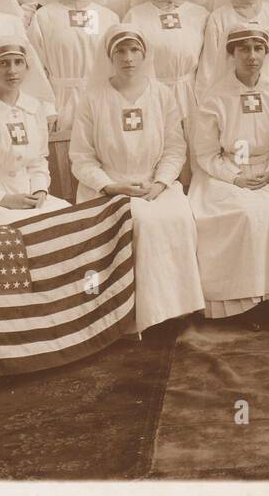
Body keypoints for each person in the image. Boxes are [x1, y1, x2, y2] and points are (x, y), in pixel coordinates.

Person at [69, 24, 205, 333]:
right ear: (110, 56)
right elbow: (81, 156)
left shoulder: (162, 94)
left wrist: (160, 183)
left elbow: (174, 146)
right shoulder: (93, 98)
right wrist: (111, 185)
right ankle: (134, 315)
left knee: (179, 218)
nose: (128, 58)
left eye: (134, 50)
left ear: (145, 55)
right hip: (105, 187)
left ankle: (173, 311)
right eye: (120, 51)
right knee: (140, 222)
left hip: (154, 184)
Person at [189, 26, 269, 320]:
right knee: (241, 213)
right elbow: (206, 153)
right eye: (243, 49)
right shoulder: (215, 97)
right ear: (232, 54)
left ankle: (266, 299)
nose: (251, 56)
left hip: (265, 173)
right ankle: (233, 302)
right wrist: (235, 177)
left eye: (257, 49)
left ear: (266, 53)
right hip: (223, 172)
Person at [0, 36, 70, 223]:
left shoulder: (34, 107)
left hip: (31, 198)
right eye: (3, 64)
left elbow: (38, 161)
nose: (12, 70)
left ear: (27, 67)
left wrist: (39, 190)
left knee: (69, 219)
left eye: (18, 62)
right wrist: (3, 199)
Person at [27, 0, 120, 134]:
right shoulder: (45, 16)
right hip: (59, 101)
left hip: (101, 102)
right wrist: (46, 109)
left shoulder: (109, 17)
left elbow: (116, 68)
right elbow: (35, 67)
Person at [122, 0, 208, 135]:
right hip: (152, 92)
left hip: (190, 93)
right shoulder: (135, 15)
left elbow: (208, 62)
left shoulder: (200, 14)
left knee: (193, 146)